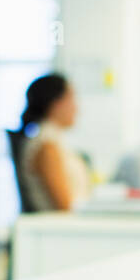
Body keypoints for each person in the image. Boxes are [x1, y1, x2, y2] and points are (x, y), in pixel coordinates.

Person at [18, 73, 90, 211]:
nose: (77, 108)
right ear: (56, 103)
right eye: (71, 98)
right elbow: (64, 206)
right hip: (61, 222)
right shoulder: (46, 146)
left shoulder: (52, 140)